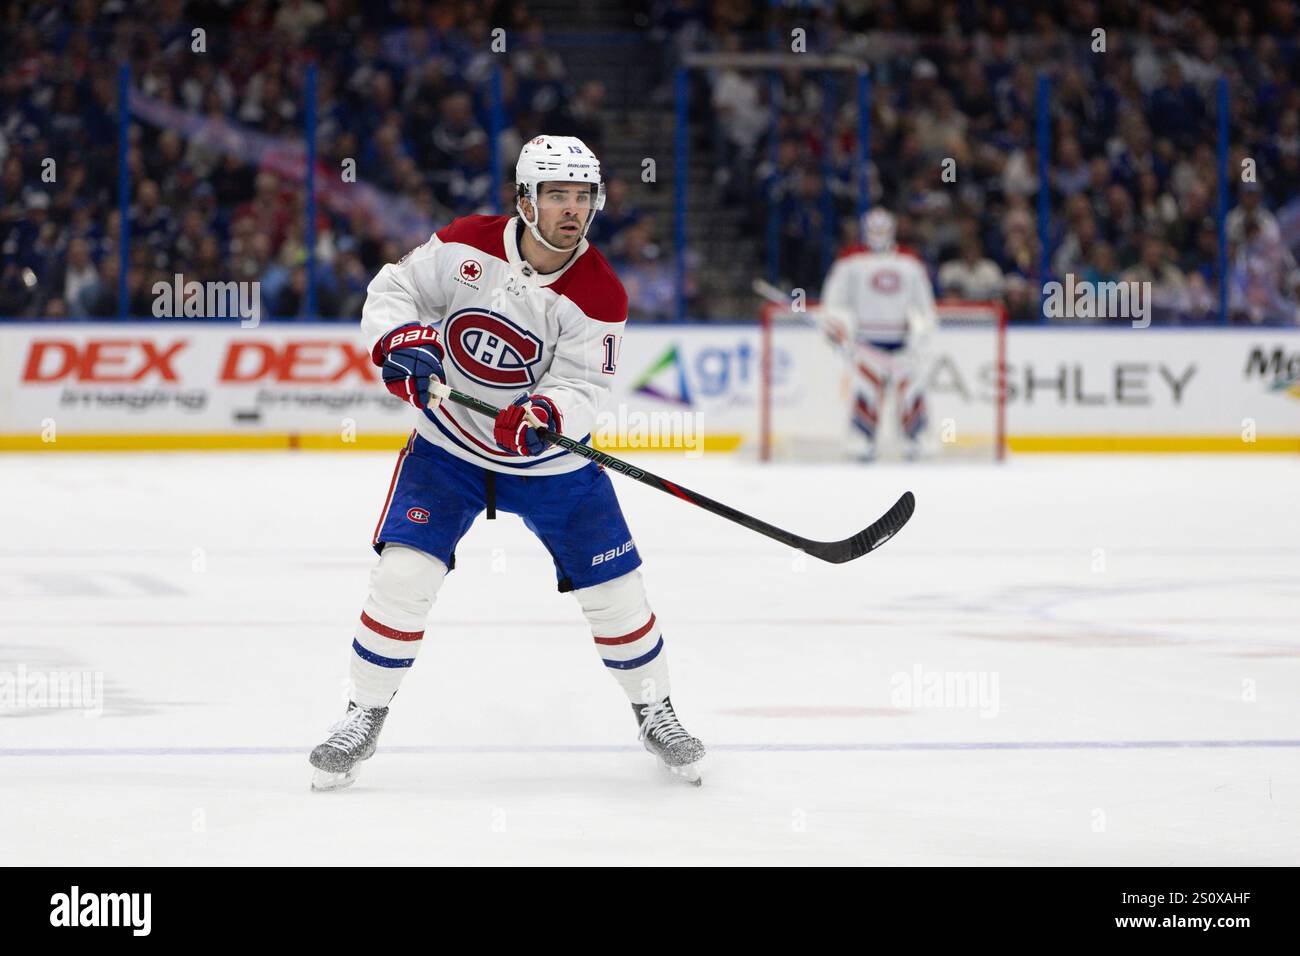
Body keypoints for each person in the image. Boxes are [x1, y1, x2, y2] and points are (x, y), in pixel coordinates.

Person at [308, 135, 706, 790]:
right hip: (448, 449)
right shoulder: (467, 242)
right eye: (556, 196)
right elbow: (395, 290)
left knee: (616, 593)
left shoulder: (600, 293)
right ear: (525, 199)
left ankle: (654, 708)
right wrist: (399, 344)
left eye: (582, 197)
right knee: (402, 577)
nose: (571, 210)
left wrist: (548, 415)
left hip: (548, 468)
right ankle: (362, 713)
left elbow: (584, 389)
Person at [818, 209, 938, 460]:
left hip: (903, 341)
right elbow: (834, 301)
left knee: (911, 390)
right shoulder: (850, 263)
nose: (878, 235)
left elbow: (924, 305)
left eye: (883, 230)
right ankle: (862, 437)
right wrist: (835, 325)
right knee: (866, 390)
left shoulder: (909, 263)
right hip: (865, 341)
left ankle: (914, 436)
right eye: (874, 230)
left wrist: (923, 331)